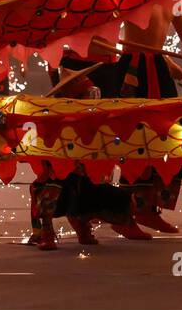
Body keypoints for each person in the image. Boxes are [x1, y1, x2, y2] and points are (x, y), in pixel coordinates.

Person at [78, 3, 182, 234]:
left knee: (166, 135)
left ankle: (148, 209)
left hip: (157, 66)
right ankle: (123, 213)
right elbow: (106, 22)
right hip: (132, 70)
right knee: (131, 137)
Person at [29, 63, 148, 250]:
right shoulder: (52, 123)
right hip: (59, 183)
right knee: (49, 191)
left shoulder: (96, 122)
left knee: (124, 198)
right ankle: (46, 232)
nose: (93, 99)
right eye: (87, 95)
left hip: (86, 182)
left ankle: (86, 226)